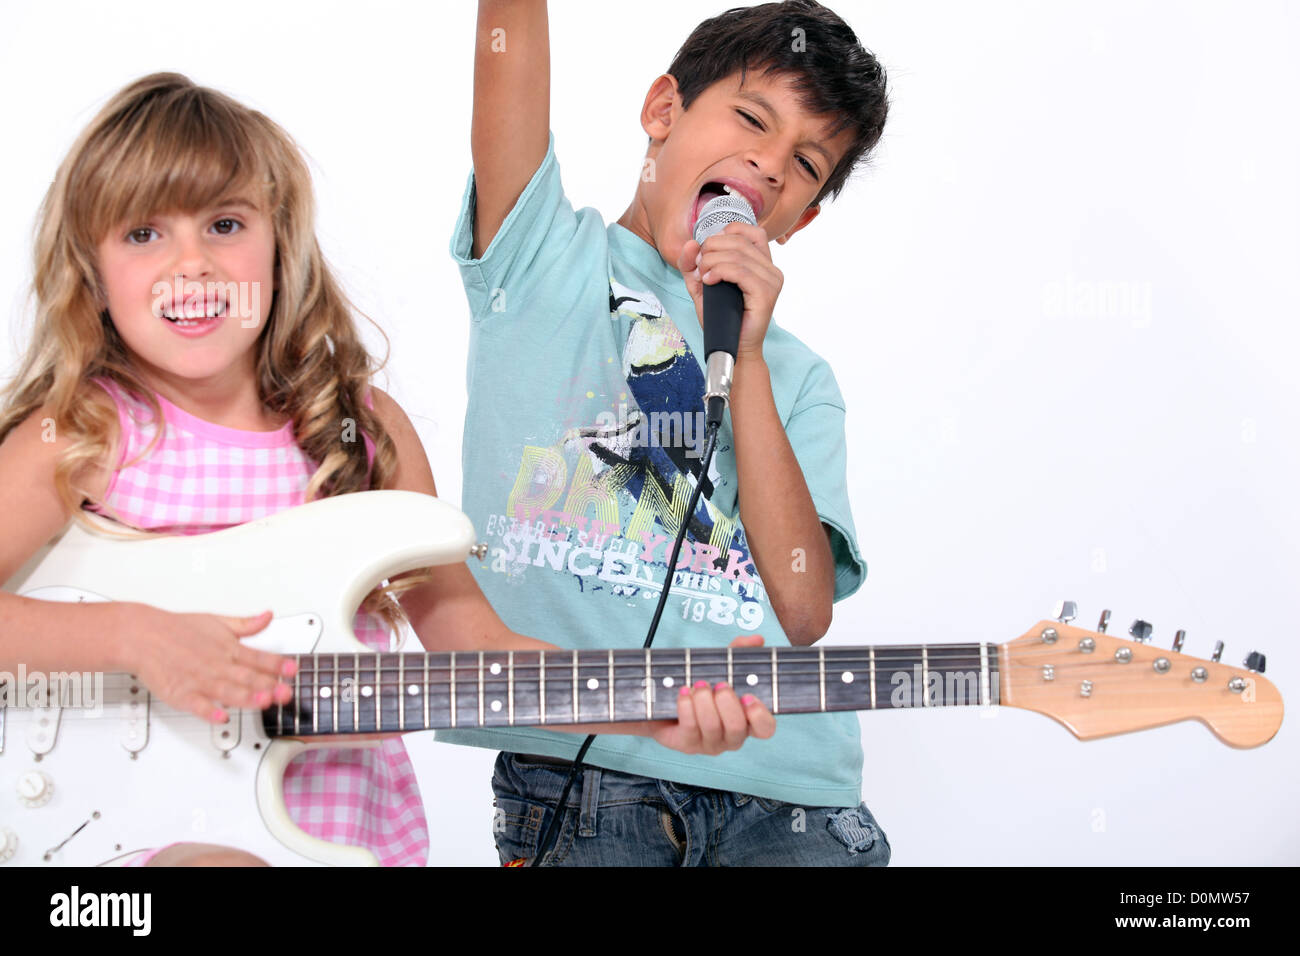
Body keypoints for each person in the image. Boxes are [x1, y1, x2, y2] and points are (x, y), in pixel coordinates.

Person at [0, 72, 774, 867]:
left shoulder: (359, 431)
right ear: (90, 271)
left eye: (225, 223)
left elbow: (469, 645)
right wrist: (135, 637)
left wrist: (648, 708)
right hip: (104, 850)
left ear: (280, 240)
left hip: (330, 840)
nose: (191, 265)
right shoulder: (84, 432)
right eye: (142, 234)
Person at [441, 0, 893, 866]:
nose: (766, 161)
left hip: (793, 795)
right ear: (662, 111)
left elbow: (802, 610)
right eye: (751, 119)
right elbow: (508, 50)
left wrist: (747, 358)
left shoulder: (799, 378)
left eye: (803, 163)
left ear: (799, 220)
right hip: (587, 777)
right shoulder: (538, 260)